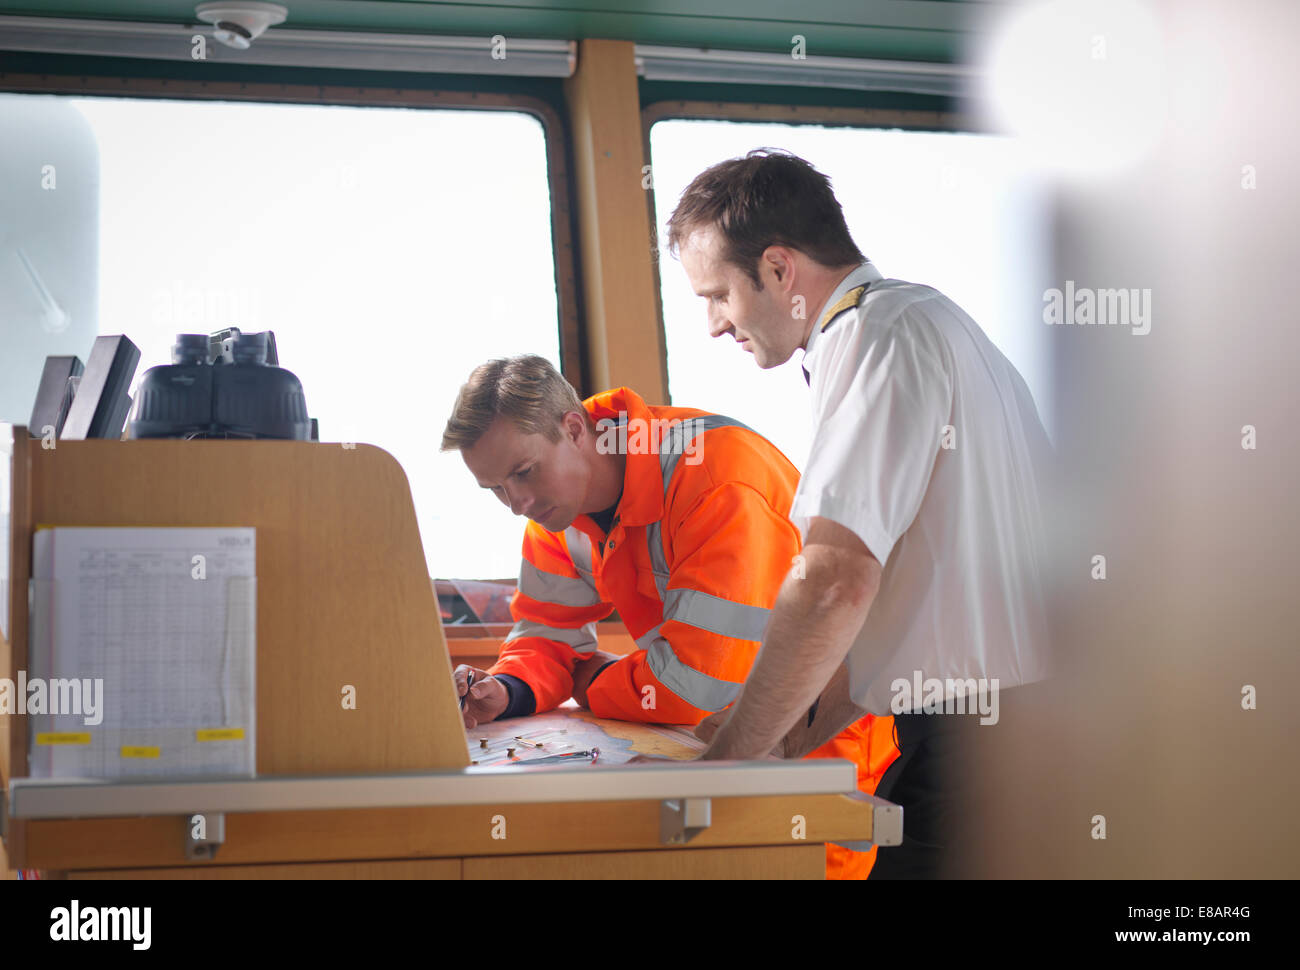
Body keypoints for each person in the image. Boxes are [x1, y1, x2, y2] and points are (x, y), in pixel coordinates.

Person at [667, 149, 1054, 878]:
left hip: (978, 741)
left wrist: (725, 765)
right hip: (1016, 726)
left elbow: (832, 581)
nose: (715, 325)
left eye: (717, 295)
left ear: (779, 270)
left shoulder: (876, 336)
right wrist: (775, 733)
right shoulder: (928, 322)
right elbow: (899, 615)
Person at [439, 354, 898, 878]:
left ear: (572, 429)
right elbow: (547, 634)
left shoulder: (718, 476)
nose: (516, 502)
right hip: (703, 744)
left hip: (816, 746)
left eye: (523, 473)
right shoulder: (554, 510)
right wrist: (508, 690)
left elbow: (693, 682)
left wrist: (590, 680)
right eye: (496, 488)